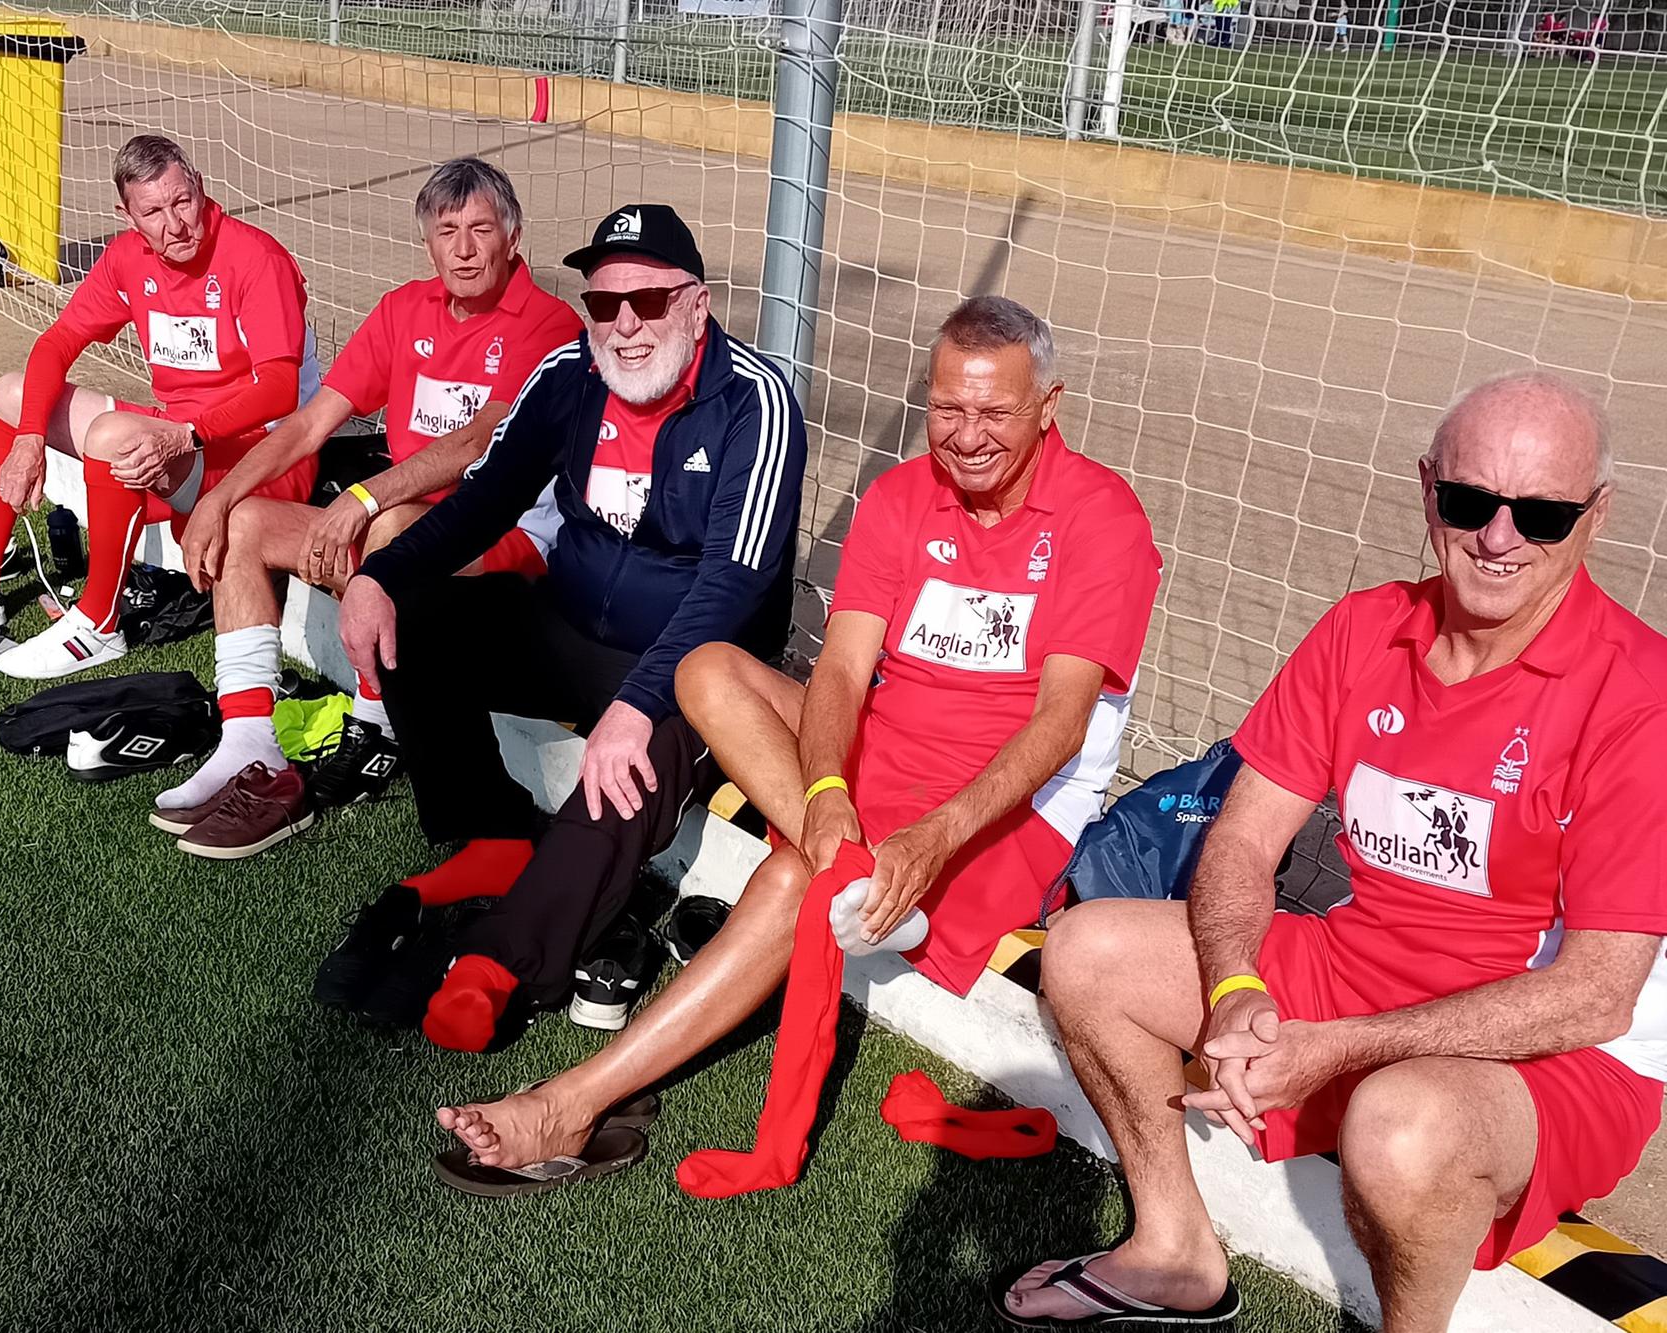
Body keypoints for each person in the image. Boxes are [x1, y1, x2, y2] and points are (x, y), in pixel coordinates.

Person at [432, 296, 1164, 1184]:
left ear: (1049, 406)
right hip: (889, 753)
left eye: (993, 412)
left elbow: (1060, 726)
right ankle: (845, 863)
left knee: (786, 878)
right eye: (946, 408)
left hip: (1000, 807)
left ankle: (568, 1104)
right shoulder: (900, 497)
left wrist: (933, 838)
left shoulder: (1103, 517)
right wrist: (824, 794)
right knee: (705, 668)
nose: (965, 434)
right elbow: (844, 676)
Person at [1004, 371, 1667, 1332]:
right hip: (1361, 974)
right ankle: (1174, 1247)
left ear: (1596, 517)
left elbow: (1596, 994)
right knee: (1087, 950)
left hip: (1554, 1052)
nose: (1498, 537)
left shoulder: (1640, 695)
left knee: (1399, 1124)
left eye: (1544, 514)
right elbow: (1240, 836)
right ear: (1428, 488)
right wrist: (1236, 990)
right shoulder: (1365, 629)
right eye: (1472, 501)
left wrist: (1339, 1050)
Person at [320, 203, 807, 1049]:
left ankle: (507, 960)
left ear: (697, 304)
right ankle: (494, 833)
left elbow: (730, 585)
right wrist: (378, 574)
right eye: (603, 302)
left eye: (648, 302)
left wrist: (640, 699)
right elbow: (481, 505)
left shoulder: (755, 404)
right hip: (566, 624)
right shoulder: (568, 375)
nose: (623, 325)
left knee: (635, 760)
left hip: (692, 664)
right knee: (417, 615)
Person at [148, 158, 583, 857]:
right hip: (399, 538)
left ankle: (375, 725)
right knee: (248, 523)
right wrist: (220, 497)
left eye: (481, 229)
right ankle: (246, 738)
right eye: (448, 231)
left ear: (513, 236)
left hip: (505, 544)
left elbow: (483, 438)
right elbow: (310, 423)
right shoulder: (403, 310)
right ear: (428, 243)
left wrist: (364, 494)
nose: (464, 248)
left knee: (393, 523)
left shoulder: (548, 322)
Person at [0, 134, 314, 680]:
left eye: (182, 202)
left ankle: (99, 623)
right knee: (13, 395)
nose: (175, 224)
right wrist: (31, 439)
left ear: (199, 188)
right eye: (153, 211)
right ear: (126, 215)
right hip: (189, 441)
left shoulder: (254, 258)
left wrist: (182, 437)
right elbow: (57, 343)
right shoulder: (130, 258)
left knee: (112, 435)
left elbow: (279, 390)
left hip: (266, 455)